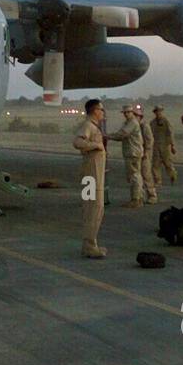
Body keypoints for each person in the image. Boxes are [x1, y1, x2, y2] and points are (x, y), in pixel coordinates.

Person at [72, 99, 108, 258]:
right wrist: (96, 146)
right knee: (95, 208)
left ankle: (89, 243)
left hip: (91, 173)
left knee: (89, 208)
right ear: (95, 110)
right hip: (92, 175)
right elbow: (78, 142)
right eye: (101, 109)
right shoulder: (88, 126)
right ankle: (89, 245)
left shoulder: (92, 126)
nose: (103, 112)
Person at [107, 104, 146, 208]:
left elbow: (122, 134)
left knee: (134, 176)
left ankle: (136, 199)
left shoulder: (132, 123)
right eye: (125, 112)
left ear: (132, 113)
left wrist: (108, 136)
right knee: (136, 175)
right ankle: (139, 198)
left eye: (128, 112)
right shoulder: (130, 122)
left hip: (132, 152)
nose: (126, 114)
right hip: (133, 151)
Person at [151, 104, 177, 185]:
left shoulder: (166, 121)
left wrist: (173, 145)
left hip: (165, 145)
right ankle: (158, 180)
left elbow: (170, 133)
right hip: (155, 145)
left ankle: (173, 175)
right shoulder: (152, 123)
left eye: (159, 111)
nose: (158, 113)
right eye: (156, 111)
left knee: (168, 163)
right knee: (155, 165)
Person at [138, 105, 160, 204]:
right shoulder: (134, 125)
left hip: (144, 154)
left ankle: (152, 195)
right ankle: (140, 196)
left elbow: (150, 140)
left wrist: (147, 152)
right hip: (138, 153)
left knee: (146, 175)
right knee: (138, 176)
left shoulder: (144, 126)